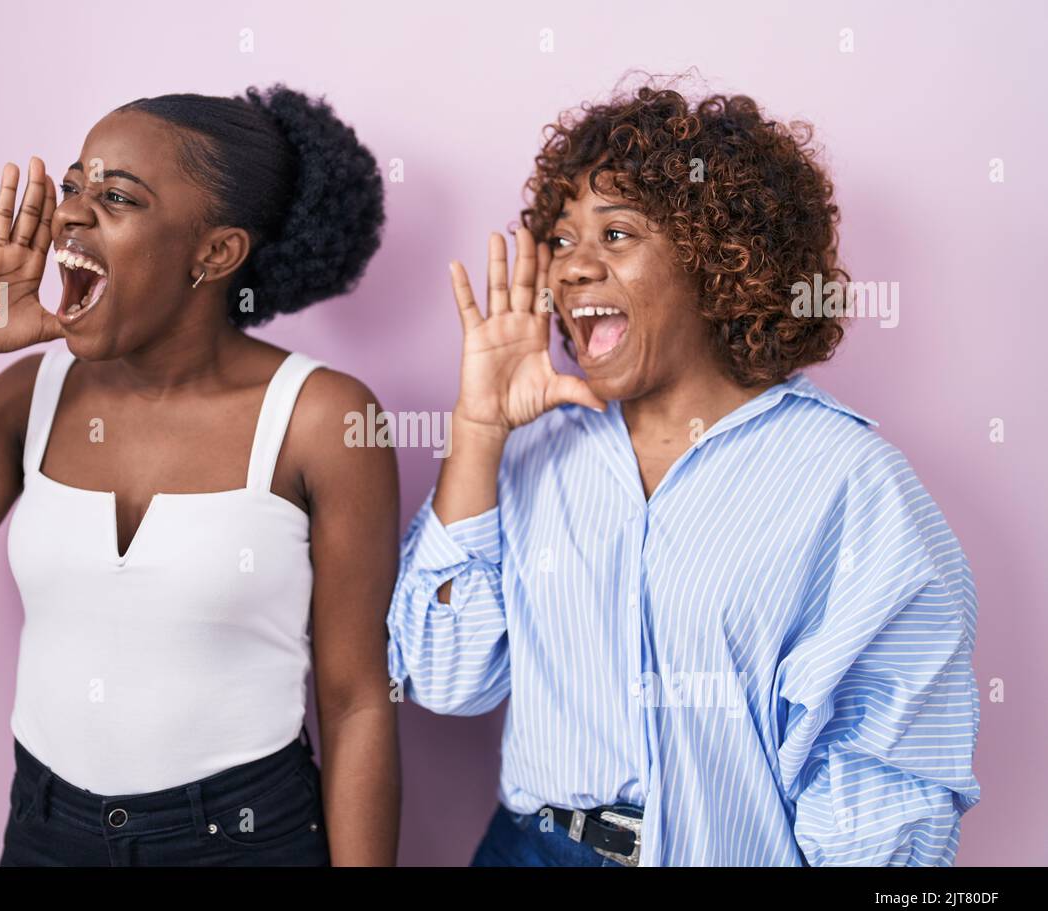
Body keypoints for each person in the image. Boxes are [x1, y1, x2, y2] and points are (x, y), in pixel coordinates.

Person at [386, 82, 980, 866]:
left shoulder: (847, 481)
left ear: (715, 258)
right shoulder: (532, 453)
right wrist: (477, 433)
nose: (572, 269)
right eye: (560, 241)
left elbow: (882, 766)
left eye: (617, 233)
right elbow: (442, 677)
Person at [0, 85, 400, 866]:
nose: (71, 214)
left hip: (244, 836)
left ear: (216, 253)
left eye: (117, 197)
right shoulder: (33, 394)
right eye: (73, 187)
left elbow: (356, 703)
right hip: (48, 832)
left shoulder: (323, 418)